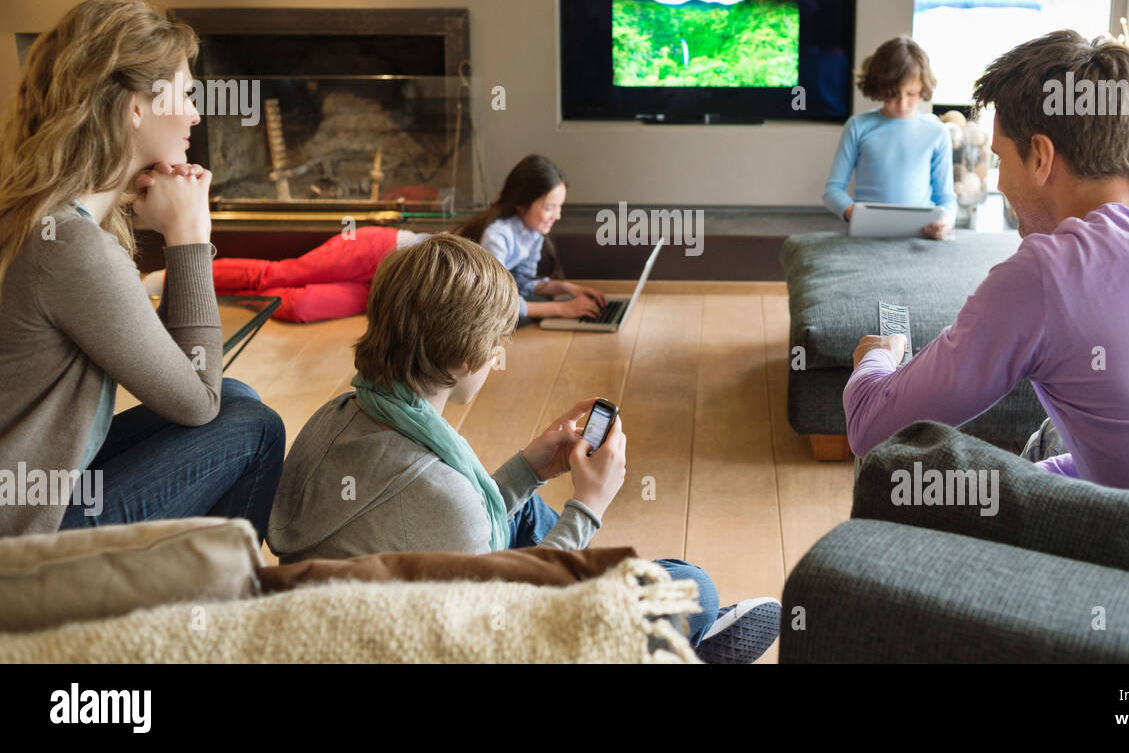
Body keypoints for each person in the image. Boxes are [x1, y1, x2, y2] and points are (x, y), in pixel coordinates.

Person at [844, 29, 1129, 530]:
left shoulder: (1048, 274)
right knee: (1043, 456)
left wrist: (876, 355)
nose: (998, 183)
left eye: (1001, 159)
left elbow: (871, 430)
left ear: (1041, 156)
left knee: (905, 486)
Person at [267, 233, 781, 662]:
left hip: (389, 599)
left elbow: (443, 518)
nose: (499, 357)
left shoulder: (342, 414)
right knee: (692, 590)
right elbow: (519, 623)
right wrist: (588, 506)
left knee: (522, 507)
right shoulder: (443, 494)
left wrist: (529, 467)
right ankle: (676, 642)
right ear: (468, 358)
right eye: (496, 348)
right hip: (470, 640)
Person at [0, 0, 285, 540]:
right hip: (25, 531)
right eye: (186, 94)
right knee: (254, 428)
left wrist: (180, 241)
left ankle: (183, 584)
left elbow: (190, 384)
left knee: (241, 398)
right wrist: (189, 237)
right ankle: (216, 606)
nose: (197, 115)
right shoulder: (72, 247)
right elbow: (198, 401)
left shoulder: (50, 222)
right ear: (135, 107)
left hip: (37, 488)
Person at [141, 225, 433, 323]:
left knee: (298, 307)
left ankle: (207, 289)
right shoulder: (481, 237)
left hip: (388, 291)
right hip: (383, 249)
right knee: (279, 275)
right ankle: (172, 277)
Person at [823, 36, 957, 239]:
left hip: (922, 236)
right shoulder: (858, 126)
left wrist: (947, 220)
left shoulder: (937, 132)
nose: (902, 104)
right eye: (892, 94)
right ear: (878, 87)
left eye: (911, 94)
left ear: (923, 87)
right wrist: (855, 214)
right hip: (866, 234)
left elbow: (946, 197)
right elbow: (833, 192)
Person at [456, 154, 608, 323]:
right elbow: (495, 301)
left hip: (490, 293)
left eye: (559, 207)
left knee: (536, 305)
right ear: (521, 204)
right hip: (445, 289)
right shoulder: (498, 236)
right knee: (524, 315)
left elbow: (523, 282)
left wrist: (568, 288)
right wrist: (562, 309)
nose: (557, 216)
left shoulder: (533, 231)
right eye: (550, 208)